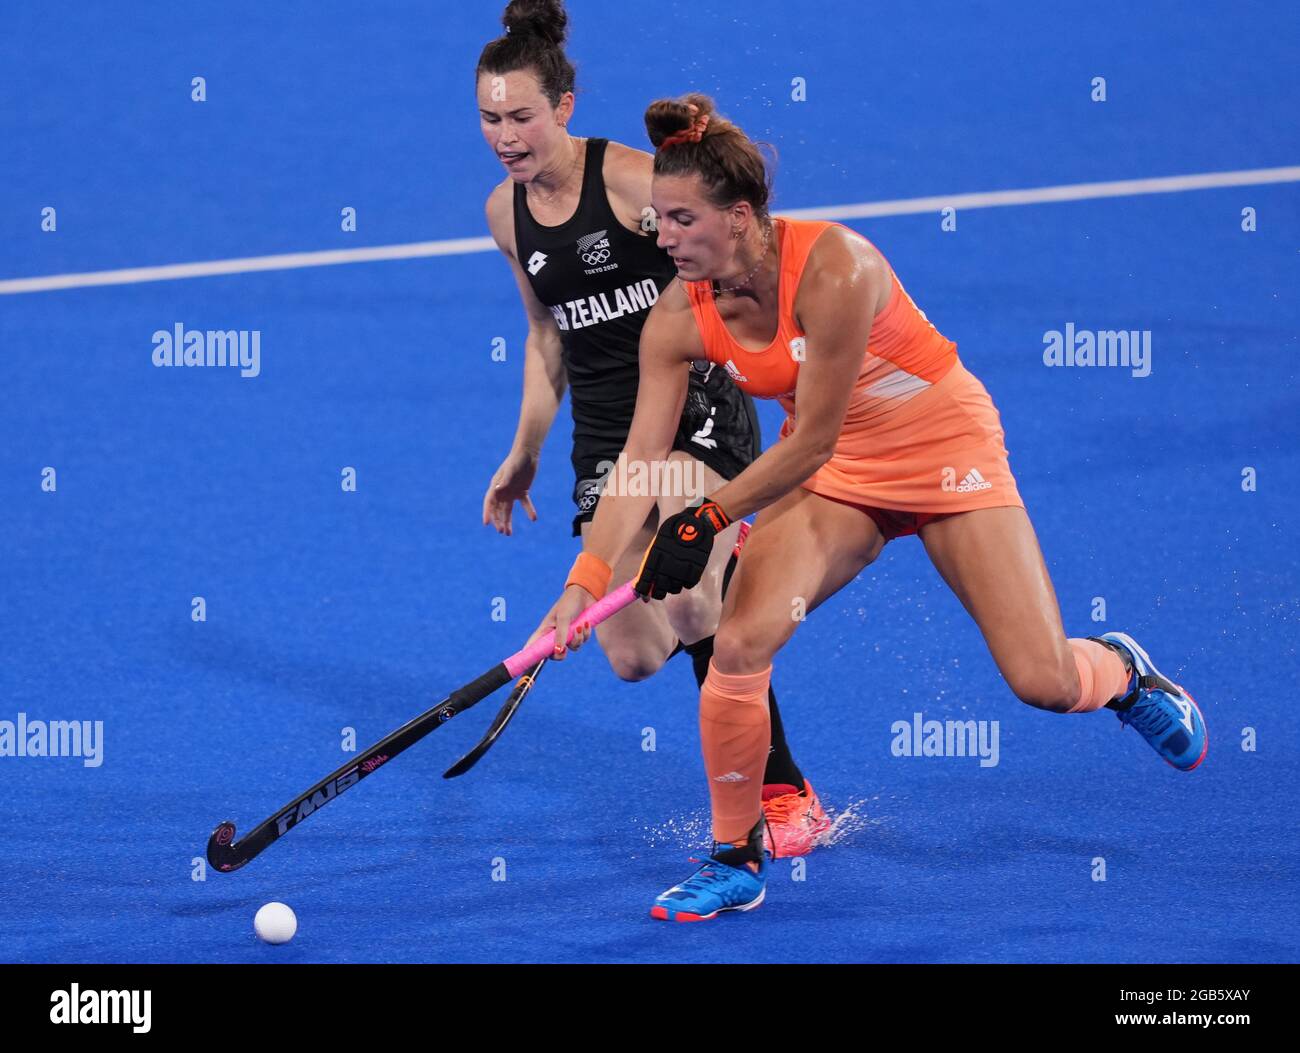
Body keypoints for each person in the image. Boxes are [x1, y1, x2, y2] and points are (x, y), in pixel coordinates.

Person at [539, 93, 1208, 922]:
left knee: (1043, 679)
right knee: (740, 644)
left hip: (942, 450)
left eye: (680, 220)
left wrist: (705, 519)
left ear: (740, 216)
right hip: (843, 475)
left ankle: (1122, 670)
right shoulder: (677, 315)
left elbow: (811, 438)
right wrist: (585, 578)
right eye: (656, 219)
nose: (662, 237)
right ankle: (734, 854)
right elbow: (636, 462)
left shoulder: (836, 268)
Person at [475, 1, 829, 853]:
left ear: (563, 107)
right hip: (607, 439)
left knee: (697, 603)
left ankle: (781, 793)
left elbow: (742, 253)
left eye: (522, 115)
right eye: (489, 119)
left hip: (698, 414)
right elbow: (546, 337)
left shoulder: (635, 184)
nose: (506, 136)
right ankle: (724, 554)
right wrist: (523, 452)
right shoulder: (505, 214)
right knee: (633, 653)